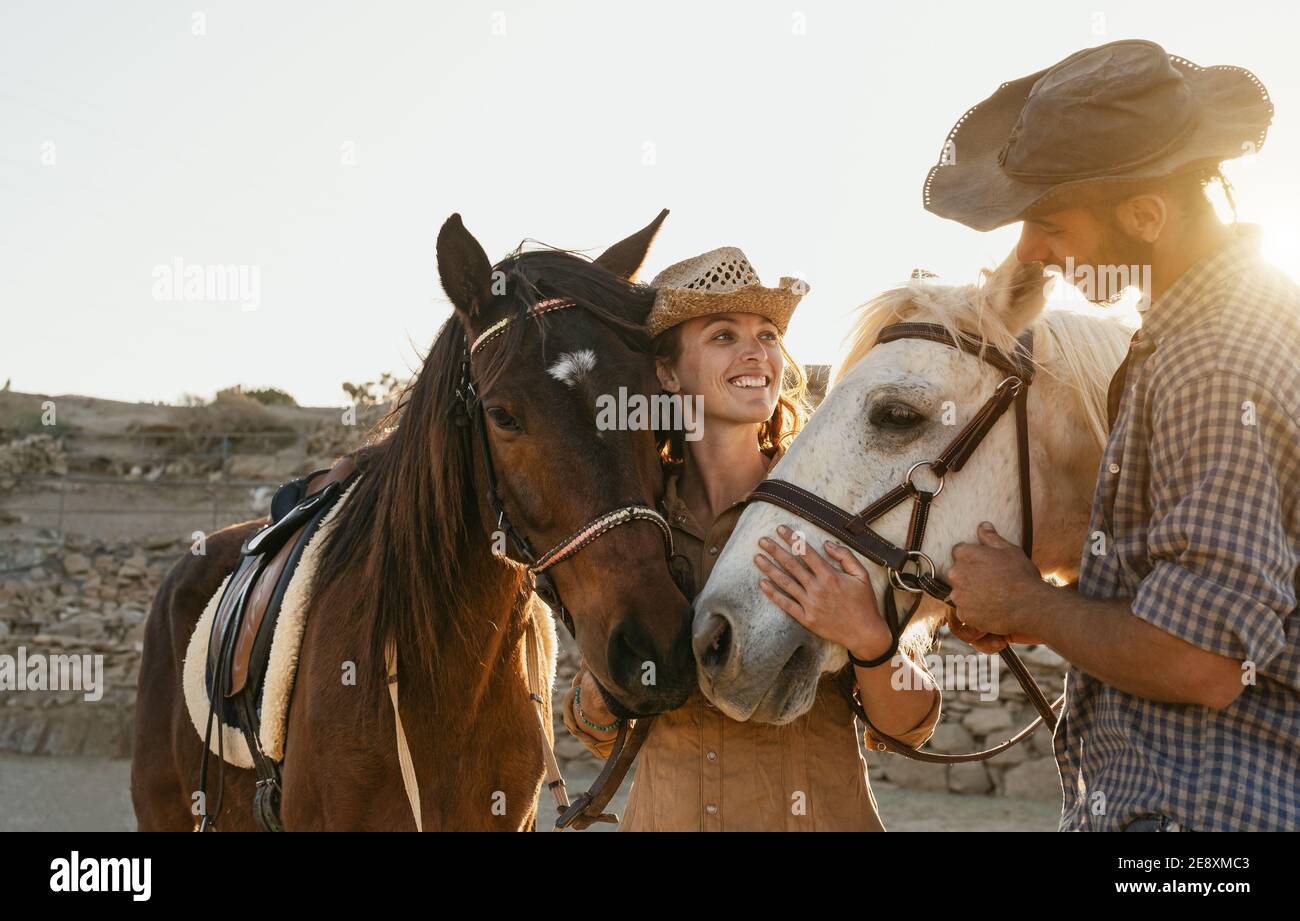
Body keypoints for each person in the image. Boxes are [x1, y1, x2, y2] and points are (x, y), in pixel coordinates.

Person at [924, 39, 1299, 831]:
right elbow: (1187, 604)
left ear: (1146, 215)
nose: (1030, 251)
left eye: (1051, 222)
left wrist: (1029, 599)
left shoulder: (1213, 362)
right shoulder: (1218, 331)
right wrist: (1042, 610)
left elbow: (1202, 662)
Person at [561, 246, 941, 831]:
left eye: (767, 335)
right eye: (722, 335)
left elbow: (909, 724)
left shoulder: (839, 511)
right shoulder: (631, 530)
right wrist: (615, 667)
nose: (756, 352)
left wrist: (868, 639)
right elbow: (594, 731)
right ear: (666, 373)